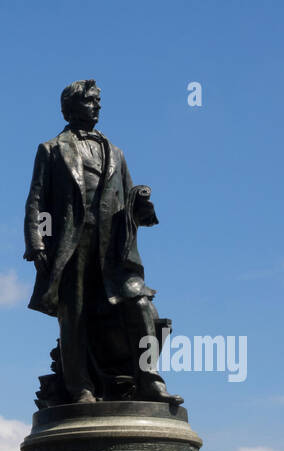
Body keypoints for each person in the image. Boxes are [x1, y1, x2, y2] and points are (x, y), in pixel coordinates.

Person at [24, 79, 182, 405]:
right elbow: (37, 200)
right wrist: (38, 242)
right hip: (71, 244)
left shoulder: (117, 153)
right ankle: (80, 387)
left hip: (112, 246)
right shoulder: (51, 150)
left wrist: (141, 201)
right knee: (75, 315)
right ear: (70, 107)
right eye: (90, 101)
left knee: (139, 304)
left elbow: (127, 201)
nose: (97, 106)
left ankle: (148, 379)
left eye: (98, 101)